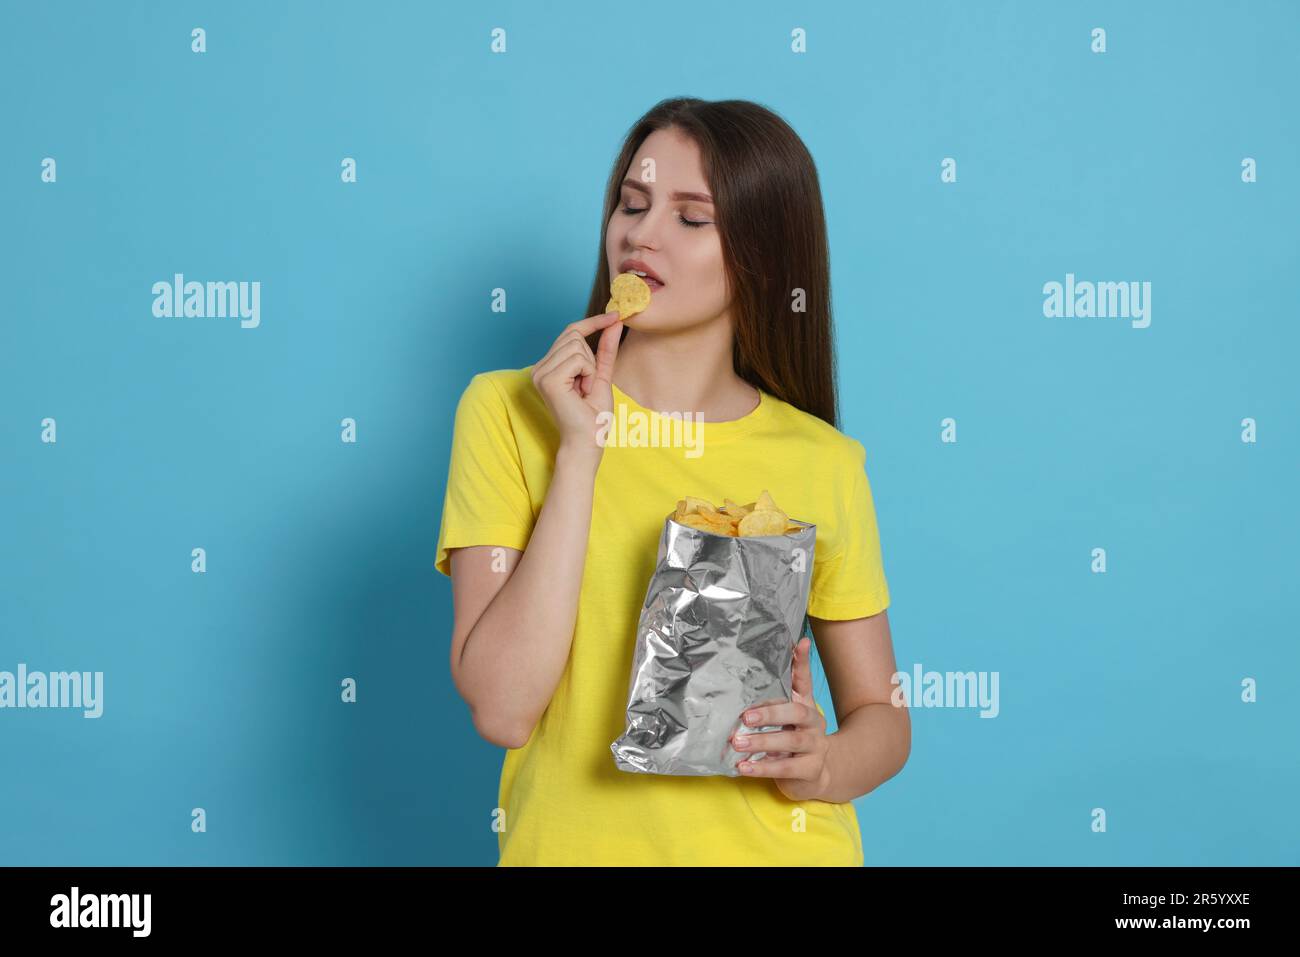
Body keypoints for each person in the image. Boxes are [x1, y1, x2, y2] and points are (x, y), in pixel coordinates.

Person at [435, 97, 910, 866]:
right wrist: (581, 454)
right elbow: (503, 707)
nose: (641, 234)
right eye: (632, 202)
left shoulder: (824, 459)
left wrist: (821, 762)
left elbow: (883, 720)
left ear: (762, 255)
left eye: (693, 218)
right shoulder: (508, 411)